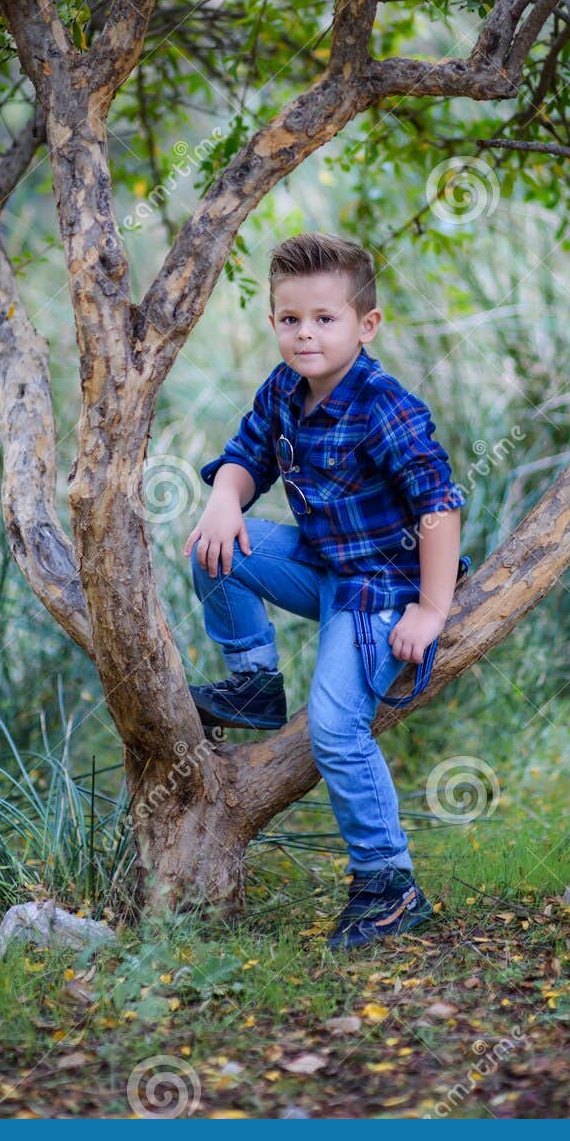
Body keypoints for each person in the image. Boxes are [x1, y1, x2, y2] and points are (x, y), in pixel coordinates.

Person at [182, 232, 469, 950]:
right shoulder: (284, 390)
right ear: (274, 321)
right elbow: (247, 455)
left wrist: (432, 609)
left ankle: (389, 885)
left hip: (382, 587)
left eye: (324, 318)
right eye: (289, 319)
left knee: (337, 728)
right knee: (215, 549)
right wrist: (224, 497)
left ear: (366, 325)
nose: (305, 333)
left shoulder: (384, 406)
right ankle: (254, 681)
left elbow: (438, 504)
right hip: (324, 561)